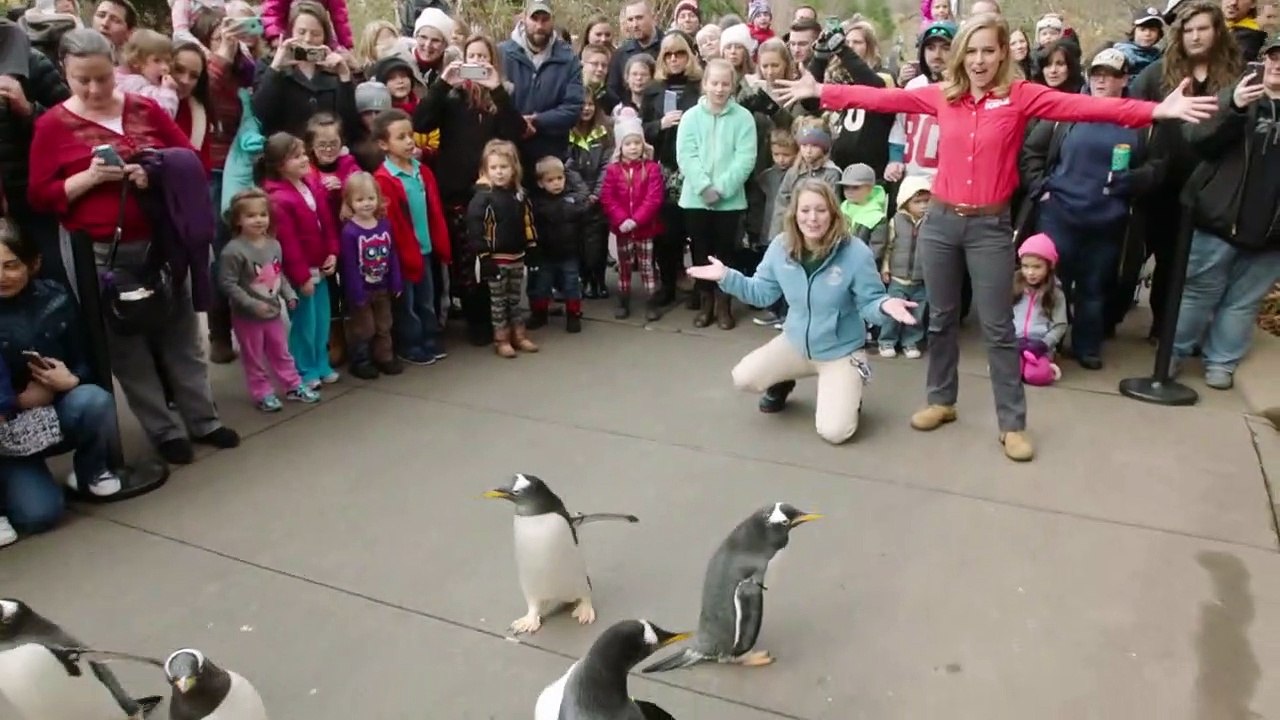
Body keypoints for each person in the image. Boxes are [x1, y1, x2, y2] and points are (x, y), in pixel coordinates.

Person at [775, 13, 1219, 462]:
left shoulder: (1020, 95)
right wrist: (822, 92)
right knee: (941, 318)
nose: (980, 59)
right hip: (942, 222)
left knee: (998, 328)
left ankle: (1012, 424)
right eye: (972, 50)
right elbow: (884, 97)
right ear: (961, 55)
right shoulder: (944, 96)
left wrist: (1156, 110)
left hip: (989, 227)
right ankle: (940, 400)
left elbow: (1086, 107)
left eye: (989, 50)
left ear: (1003, 52)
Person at [29, 28, 238, 466]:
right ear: (65, 73)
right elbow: (40, 195)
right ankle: (162, 430)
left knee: (180, 332)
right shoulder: (51, 125)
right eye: (81, 79)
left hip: (159, 243)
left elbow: (189, 161)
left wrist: (154, 172)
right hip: (98, 252)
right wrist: (87, 179)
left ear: (116, 69)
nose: (93, 89)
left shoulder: (144, 107)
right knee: (127, 343)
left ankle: (204, 418)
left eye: (102, 78)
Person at [686, 180, 919, 445]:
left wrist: (885, 305)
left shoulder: (856, 253)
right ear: (794, 213)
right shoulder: (780, 247)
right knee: (743, 378)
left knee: (835, 432)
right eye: (805, 210)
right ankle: (783, 380)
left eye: (820, 210)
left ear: (833, 212)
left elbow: (870, 301)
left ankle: (850, 387)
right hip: (795, 343)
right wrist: (727, 277)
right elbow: (762, 293)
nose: (812, 218)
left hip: (839, 351)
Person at [1019, 48, 1166, 370]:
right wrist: (1040, 188)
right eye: (1097, 73)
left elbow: (1159, 166)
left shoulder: (1141, 118)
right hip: (1060, 215)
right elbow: (1032, 151)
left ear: (1125, 79)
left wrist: (1136, 180)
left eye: (1111, 74)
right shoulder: (1067, 110)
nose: (1102, 80)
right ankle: (1042, 343)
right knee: (1050, 285)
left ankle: (1087, 346)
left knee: (1095, 289)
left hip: (1108, 220)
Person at [0, 223, 138, 539]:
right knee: (39, 515)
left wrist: (70, 379)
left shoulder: (56, 297)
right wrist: (21, 401)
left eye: (11, 265)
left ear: (32, 263)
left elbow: (85, 358)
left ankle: (89, 471)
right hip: (6, 426)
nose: (2, 276)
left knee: (93, 399)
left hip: (55, 408)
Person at [1173, 41, 1280, 389]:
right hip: (1220, 218)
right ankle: (1172, 352)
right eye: (1273, 57)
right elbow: (1196, 137)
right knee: (1197, 292)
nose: (1278, 65)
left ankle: (1221, 362)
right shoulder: (1236, 95)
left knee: (1242, 303)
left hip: (1271, 231)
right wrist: (1232, 106)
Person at [218, 189, 320, 411]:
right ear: (238, 220)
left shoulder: (274, 244)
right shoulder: (233, 251)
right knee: (254, 357)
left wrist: (289, 294)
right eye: (251, 216)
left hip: (273, 312)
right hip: (248, 317)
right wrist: (252, 304)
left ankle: (293, 385)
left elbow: (278, 273)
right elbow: (228, 284)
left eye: (263, 215)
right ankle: (262, 392)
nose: (258, 220)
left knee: (281, 351)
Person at [677, 58, 757, 330]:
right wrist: (703, 187)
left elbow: (745, 158)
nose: (720, 89)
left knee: (725, 253)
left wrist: (722, 188)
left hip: (730, 201)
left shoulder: (743, 118)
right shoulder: (690, 117)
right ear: (704, 84)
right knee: (700, 251)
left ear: (733, 86)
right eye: (714, 83)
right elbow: (686, 155)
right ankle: (706, 302)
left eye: (725, 84)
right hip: (695, 199)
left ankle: (724, 304)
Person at [259, 132, 341, 389]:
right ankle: (304, 368)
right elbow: (288, 243)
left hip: (321, 266)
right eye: (297, 156)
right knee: (305, 322)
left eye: (304, 153)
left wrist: (333, 251)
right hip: (303, 271)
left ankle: (320, 362)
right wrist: (301, 276)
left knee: (322, 319)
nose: (305, 159)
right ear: (279, 165)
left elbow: (327, 223)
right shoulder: (277, 198)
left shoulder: (311, 185)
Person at [372, 109, 450, 366]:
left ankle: (429, 336)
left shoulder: (422, 171)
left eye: (410, 135)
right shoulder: (384, 180)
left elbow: (434, 210)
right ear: (384, 144)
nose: (409, 142)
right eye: (400, 137)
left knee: (426, 298)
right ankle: (410, 343)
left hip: (425, 248)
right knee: (407, 303)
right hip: (403, 253)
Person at [467, 139, 540, 358]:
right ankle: (501, 338)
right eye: (494, 168)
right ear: (485, 170)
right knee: (498, 301)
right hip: (495, 258)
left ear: (514, 168)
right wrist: (484, 257)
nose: (499, 172)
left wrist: (532, 246)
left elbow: (528, 222)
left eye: (504, 167)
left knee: (515, 298)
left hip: (516, 256)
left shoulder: (520, 195)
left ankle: (519, 334)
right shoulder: (483, 198)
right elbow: (476, 228)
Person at [251, 1, 358, 143]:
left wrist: (345, 77)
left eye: (315, 34)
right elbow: (260, 115)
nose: (308, 39)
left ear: (325, 37)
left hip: (327, 154)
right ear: (290, 33)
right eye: (301, 32)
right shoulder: (269, 65)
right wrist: (275, 69)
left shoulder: (334, 69)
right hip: (286, 155)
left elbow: (349, 126)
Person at [500, 0, 585, 170]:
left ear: (553, 21)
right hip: (508, 154)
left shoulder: (568, 59)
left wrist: (537, 121)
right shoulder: (502, 53)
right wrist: (518, 123)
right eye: (534, 18)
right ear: (524, 19)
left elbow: (573, 107)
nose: (539, 25)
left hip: (551, 155)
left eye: (545, 19)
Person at [339, 172, 404, 380]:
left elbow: (392, 255)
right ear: (349, 202)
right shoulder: (350, 232)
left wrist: (396, 281)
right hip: (362, 290)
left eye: (370, 198)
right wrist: (356, 293)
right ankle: (361, 361)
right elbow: (348, 265)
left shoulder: (385, 225)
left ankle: (384, 356)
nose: (366, 204)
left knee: (384, 324)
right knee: (364, 328)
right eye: (359, 200)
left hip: (382, 286)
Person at [600, 114, 664, 319]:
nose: (634, 147)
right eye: (628, 143)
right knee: (625, 265)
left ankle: (651, 300)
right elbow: (608, 197)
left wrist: (636, 219)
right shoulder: (612, 170)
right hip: (623, 229)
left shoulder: (652, 169)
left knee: (647, 265)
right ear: (620, 146)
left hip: (644, 227)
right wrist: (621, 220)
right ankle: (623, 299)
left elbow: (653, 198)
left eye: (637, 142)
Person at [527, 156, 587, 332]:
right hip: (545, 254)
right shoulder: (537, 205)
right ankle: (539, 314)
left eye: (559, 178)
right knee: (542, 286)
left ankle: (573, 315)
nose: (556, 183)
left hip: (569, 253)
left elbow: (581, 227)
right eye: (550, 180)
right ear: (540, 183)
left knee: (571, 285)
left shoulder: (572, 201)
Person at [875, 175, 932, 359]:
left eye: (927, 201)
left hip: (920, 279)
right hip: (898, 278)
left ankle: (911, 342)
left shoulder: (932, 223)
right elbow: (888, 247)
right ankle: (887, 341)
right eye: (918, 202)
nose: (923, 206)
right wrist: (885, 268)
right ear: (906, 202)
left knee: (916, 313)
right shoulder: (896, 221)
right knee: (893, 312)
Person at [566, 94, 613, 300]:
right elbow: (568, 165)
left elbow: (607, 165)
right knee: (580, 242)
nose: (586, 108)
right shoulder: (568, 133)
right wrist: (584, 193)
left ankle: (599, 279)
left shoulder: (604, 132)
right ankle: (584, 279)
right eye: (582, 104)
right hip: (578, 196)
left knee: (598, 242)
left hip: (599, 196)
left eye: (590, 104)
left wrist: (597, 193)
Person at [1012, 233, 1067, 386]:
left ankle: (1044, 366)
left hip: (1040, 347)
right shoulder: (1014, 286)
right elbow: (1003, 315)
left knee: (1037, 376)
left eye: (1037, 267)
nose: (1030, 272)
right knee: (1010, 372)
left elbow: (1060, 325)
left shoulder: (1055, 293)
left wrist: (1044, 343)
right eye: (1025, 266)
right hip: (1014, 342)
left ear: (1049, 266)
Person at [114, 29, 179, 117]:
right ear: (136, 61)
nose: (165, 67)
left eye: (167, 61)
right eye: (157, 60)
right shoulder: (136, 85)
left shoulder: (121, 79)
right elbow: (163, 116)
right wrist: (168, 90)